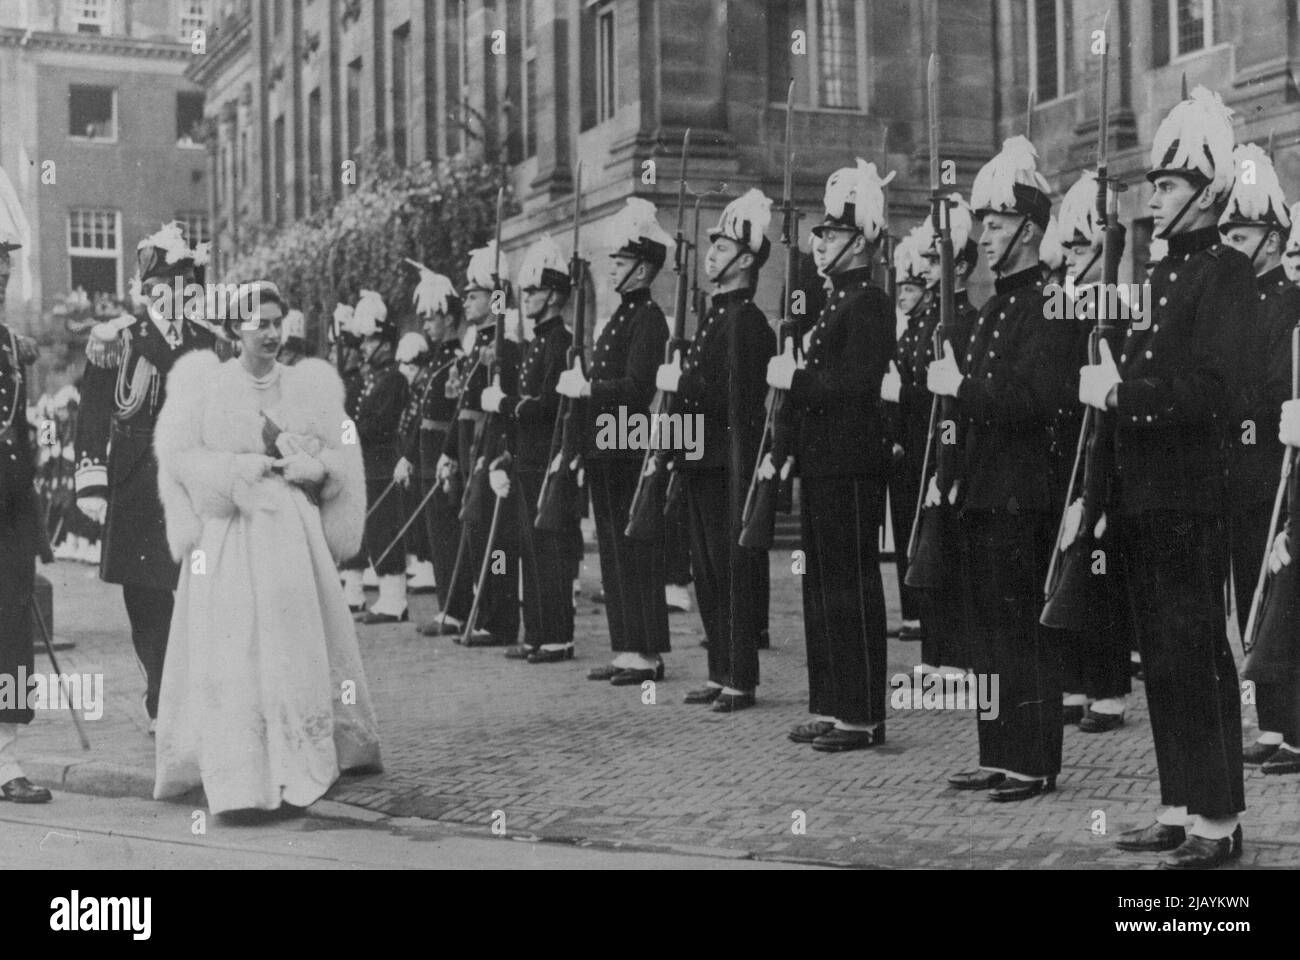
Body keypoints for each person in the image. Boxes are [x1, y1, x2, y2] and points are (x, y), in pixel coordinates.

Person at [1080, 86, 1251, 869]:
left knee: (1195, 654)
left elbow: (1214, 390)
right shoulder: (1163, 278)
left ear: (1208, 189)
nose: (1158, 195)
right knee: (1164, 657)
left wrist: (1125, 396)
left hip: (1190, 494)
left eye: (1171, 184)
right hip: (1148, 496)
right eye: (1156, 183)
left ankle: (1218, 819)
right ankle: (1180, 806)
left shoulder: (1225, 276)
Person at [153, 281, 381, 815]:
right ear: (235, 330)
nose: (273, 333)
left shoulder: (311, 388)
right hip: (233, 537)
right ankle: (242, 771)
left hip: (293, 540)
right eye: (260, 323)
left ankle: (304, 756)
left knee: (298, 640)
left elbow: (342, 450)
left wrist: (318, 468)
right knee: (236, 648)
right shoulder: (205, 388)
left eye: (278, 322)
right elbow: (181, 459)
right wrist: (233, 472)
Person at [933, 136, 1072, 801]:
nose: (983, 236)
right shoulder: (993, 309)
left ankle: (1034, 761)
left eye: (995, 223)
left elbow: (1033, 402)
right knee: (989, 632)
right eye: (983, 224)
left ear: (1028, 228)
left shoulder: (1046, 306)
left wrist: (961, 389)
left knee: (1022, 632)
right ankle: (999, 750)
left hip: (1024, 494)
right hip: (986, 493)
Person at [767, 159, 895, 751]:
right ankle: (830, 701)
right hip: (824, 461)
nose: (821, 243)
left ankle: (862, 713)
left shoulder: (867, 305)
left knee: (851, 586)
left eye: (834, 234)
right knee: (820, 587)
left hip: (850, 462)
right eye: (820, 234)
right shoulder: (830, 305)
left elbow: (854, 387)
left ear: (863, 238)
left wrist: (796, 382)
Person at [74, 223, 218, 733]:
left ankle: (193, 691)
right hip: (136, 484)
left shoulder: (209, 342)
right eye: (164, 284)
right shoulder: (120, 340)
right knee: (145, 596)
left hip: (191, 484)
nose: (174, 293)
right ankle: (160, 696)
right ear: (148, 288)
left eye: (184, 284)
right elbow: (92, 411)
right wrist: (91, 478)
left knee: (195, 592)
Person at [658, 189, 776, 712]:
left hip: (730, 460)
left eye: (723, 246)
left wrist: (682, 382)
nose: (711, 254)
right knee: (705, 568)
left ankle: (741, 677)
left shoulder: (748, 322)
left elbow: (731, 396)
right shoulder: (715, 315)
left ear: (746, 259)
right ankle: (718, 668)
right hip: (702, 459)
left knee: (731, 569)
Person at [559, 198, 671, 686]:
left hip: (627, 444)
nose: (613, 270)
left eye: (621, 263)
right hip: (606, 448)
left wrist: (589, 389)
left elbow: (639, 387)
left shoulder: (648, 318)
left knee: (633, 550)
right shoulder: (620, 318)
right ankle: (626, 646)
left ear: (644, 268)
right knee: (611, 551)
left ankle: (646, 651)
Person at [1216, 144, 1297, 769]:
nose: (1233, 247)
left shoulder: (1290, 301)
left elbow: (1274, 385)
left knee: (1283, 595)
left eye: (1241, 234)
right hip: (1239, 473)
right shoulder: (1233, 299)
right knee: (1250, 594)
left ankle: (1294, 727)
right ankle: (1271, 725)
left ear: (1271, 239)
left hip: (1275, 467)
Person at [1054, 169, 1133, 734]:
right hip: (1064, 452)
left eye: (1083, 245)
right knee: (1068, 568)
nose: (1072, 257)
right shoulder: (1062, 303)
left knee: (1101, 569)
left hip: (1104, 455)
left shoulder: (1120, 307)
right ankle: (1077, 679)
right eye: (1070, 245)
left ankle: (1108, 691)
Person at [482, 235, 578, 663]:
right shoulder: (538, 341)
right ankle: (537, 632)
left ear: (555, 295)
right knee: (529, 551)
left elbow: (549, 406)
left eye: (535, 291)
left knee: (549, 551)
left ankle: (557, 635)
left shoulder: (560, 342)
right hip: (527, 460)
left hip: (546, 462)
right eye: (525, 290)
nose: (527, 298)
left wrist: (504, 403)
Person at [907, 194, 981, 677]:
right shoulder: (925, 322)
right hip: (919, 446)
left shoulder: (967, 321)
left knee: (950, 551)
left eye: (941, 259)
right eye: (930, 258)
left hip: (948, 449)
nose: (931, 267)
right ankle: (934, 653)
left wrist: (948, 466)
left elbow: (955, 404)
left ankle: (955, 654)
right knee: (926, 548)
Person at [435, 242, 522, 646]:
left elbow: (504, 407)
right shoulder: (476, 344)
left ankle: (500, 619)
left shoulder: (506, 346)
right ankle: (483, 611)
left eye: (475, 294)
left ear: (495, 298)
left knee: (496, 537)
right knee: (475, 530)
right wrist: (450, 451)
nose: (466, 301)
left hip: (492, 446)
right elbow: (463, 408)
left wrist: (497, 454)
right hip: (471, 443)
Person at [0, 167, 50, 804]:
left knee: (9, 637)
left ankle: (5, 758)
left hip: (8, 518)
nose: (1, 283)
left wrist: (32, 523)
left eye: (5, 275)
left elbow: (22, 439)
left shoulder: (13, 347)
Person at [400, 265, 468, 633]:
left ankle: (456, 609)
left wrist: (450, 454)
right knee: (436, 534)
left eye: (433, 317)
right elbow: (423, 416)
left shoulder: (457, 360)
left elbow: (454, 416)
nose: (426, 324)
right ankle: (447, 605)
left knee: (448, 536)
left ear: (451, 318)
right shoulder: (437, 361)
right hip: (427, 453)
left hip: (443, 452)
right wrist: (408, 457)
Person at [880, 224, 932, 646]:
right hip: (904, 447)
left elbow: (927, 394)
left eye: (911, 290)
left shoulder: (929, 331)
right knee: (904, 532)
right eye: (901, 290)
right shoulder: (908, 332)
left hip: (924, 446)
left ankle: (921, 610)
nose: (903, 297)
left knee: (920, 532)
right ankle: (911, 609)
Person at [347, 291, 411, 624]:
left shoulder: (394, 379)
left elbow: (378, 426)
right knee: (375, 529)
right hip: (369, 467)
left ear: (386, 342)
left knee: (386, 530)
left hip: (384, 466)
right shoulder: (376, 380)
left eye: (371, 340)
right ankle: (388, 598)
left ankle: (394, 600)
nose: (364, 347)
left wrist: (347, 431)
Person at [392, 330, 438, 594]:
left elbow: (421, 426)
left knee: (424, 515)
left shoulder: (426, 389)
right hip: (411, 458)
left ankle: (428, 566)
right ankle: (422, 563)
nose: (406, 371)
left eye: (410, 366)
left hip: (423, 459)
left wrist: (409, 457)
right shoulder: (413, 391)